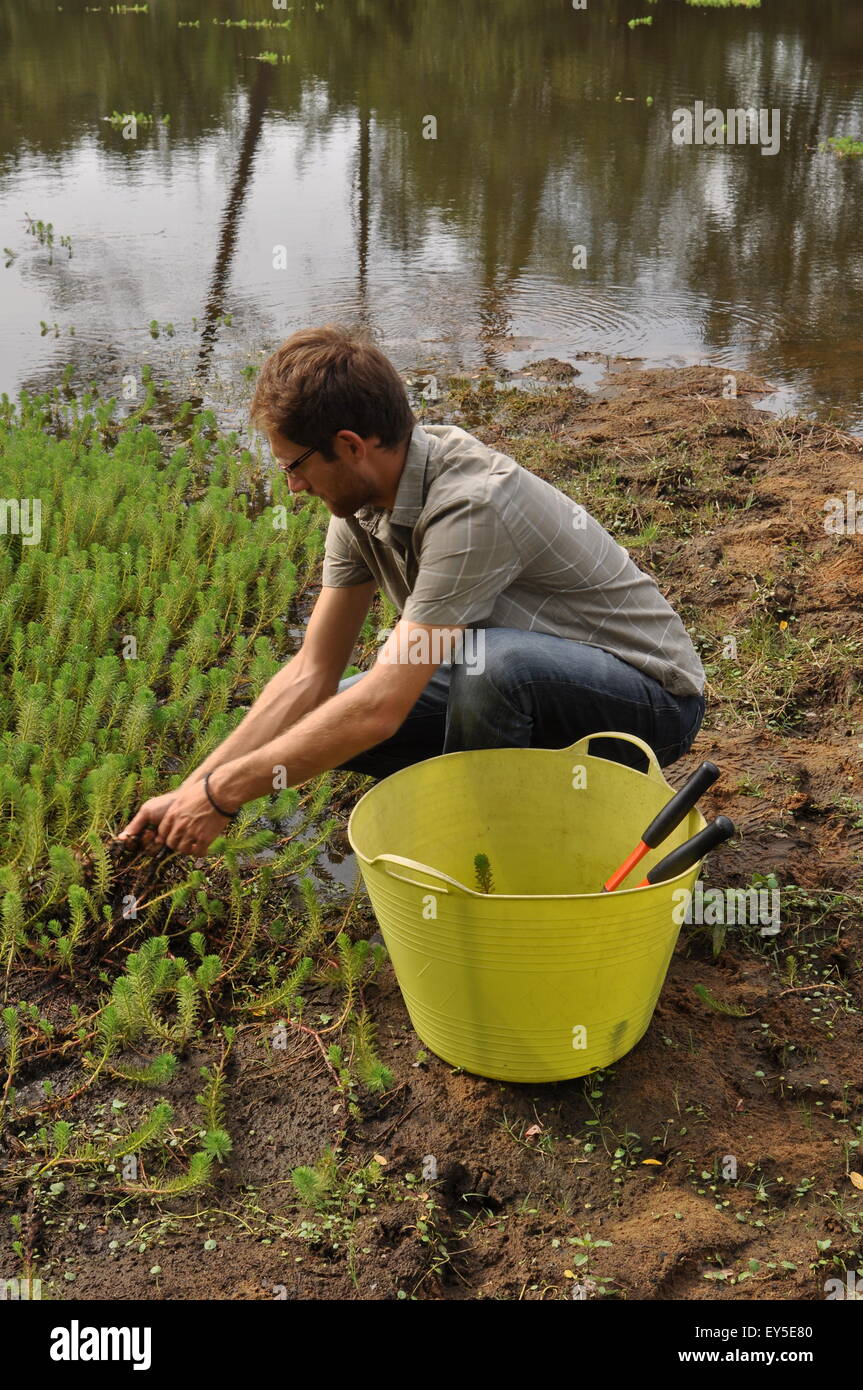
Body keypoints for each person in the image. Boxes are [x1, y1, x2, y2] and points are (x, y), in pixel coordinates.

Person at [119, 325, 705, 857]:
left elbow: (381, 709)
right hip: (523, 687)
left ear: (351, 445)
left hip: (647, 700)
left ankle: (493, 856)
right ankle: (517, 800)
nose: (293, 486)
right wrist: (193, 790)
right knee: (330, 716)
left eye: (295, 465)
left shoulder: (472, 504)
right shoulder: (357, 505)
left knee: (486, 669)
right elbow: (310, 674)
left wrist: (225, 796)